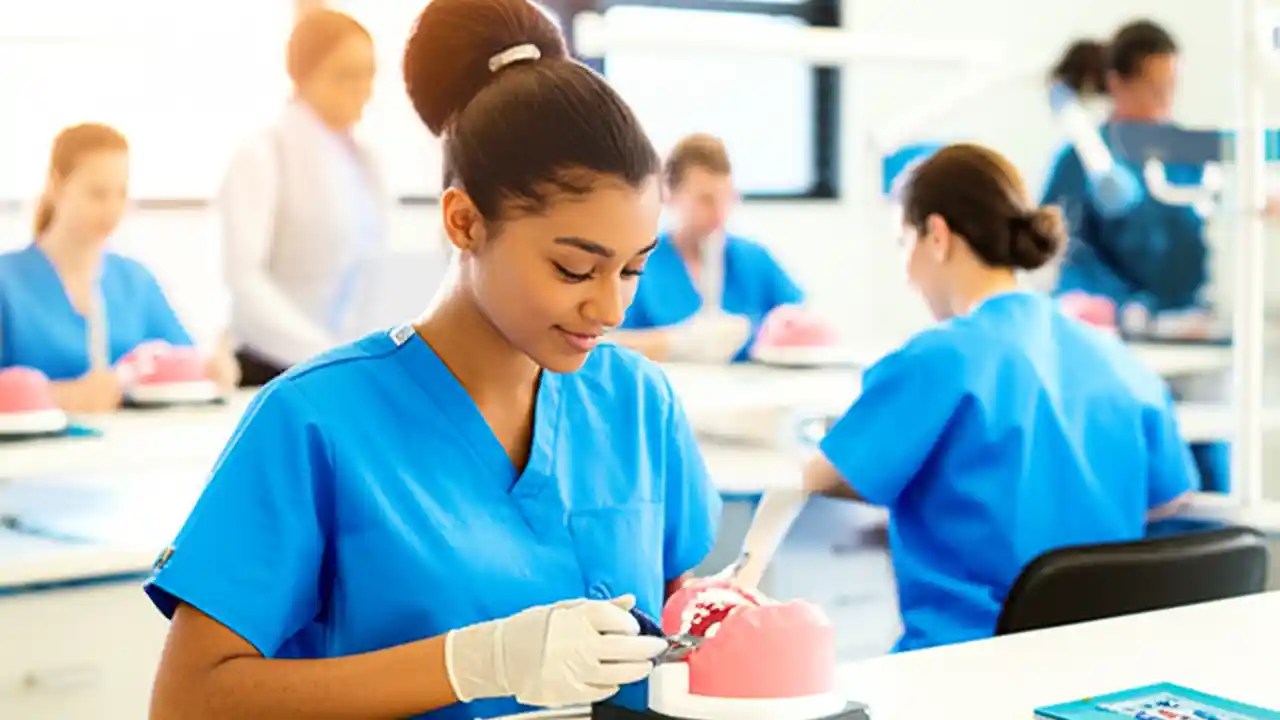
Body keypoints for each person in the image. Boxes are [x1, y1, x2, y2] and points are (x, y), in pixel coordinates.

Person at [145, 1, 721, 718]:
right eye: (576, 269)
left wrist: (736, 624)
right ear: (464, 221)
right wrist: (473, 663)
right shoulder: (316, 422)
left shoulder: (637, 403)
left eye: (633, 270)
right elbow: (189, 701)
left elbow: (681, 618)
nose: (610, 310)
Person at [729, 144, 1197, 653]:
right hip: (1096, 669)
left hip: (963, 665)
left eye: (903, 243)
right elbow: (1170, 498)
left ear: (937, 236)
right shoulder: (1117, 360)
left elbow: (823, 474)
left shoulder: (940, 358)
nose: (906, 273)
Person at [1042, 20, 1228, 492]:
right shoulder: (1083, 158)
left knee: (1209, 474)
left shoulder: (1187, 149)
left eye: (1172, 88)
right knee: (1128, 474)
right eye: (1153, 88)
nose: (1165, 102)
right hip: (1121, 345)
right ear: (1116, 84)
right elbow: (1065, 257)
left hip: (1190, 339)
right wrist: (1124, 312)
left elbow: (1217, 212)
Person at [0, 124, 239, 413]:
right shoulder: (8, 283)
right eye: (97, 194)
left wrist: (213, 370)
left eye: (121, 193)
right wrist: (59, 398)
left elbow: (183, 362)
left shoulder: (135, 281)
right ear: (56, 185)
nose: (112, 208)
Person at [220, 9, 391, 387]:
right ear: (302, 76)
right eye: (346, 75)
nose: (363, 89)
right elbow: (244, 278)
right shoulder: (263, 154)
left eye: (370, 74)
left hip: (347, 367)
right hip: (273, 367)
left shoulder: (367, 164)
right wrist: (321, 353)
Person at [611, 133, 805, 363]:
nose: (719, 212)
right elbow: (606, 345)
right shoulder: (642, 263)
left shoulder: (753, 260)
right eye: (705, 200)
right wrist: (678, 343)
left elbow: (802, 325)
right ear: (670, 194)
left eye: (726, 198)